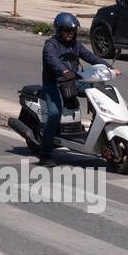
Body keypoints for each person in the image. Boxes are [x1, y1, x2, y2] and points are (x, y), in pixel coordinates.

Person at [38, 12, 119, 164]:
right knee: (55, 113)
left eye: (73, 31)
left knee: (97, 94)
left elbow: (89, 56)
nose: (70, 34)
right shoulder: (51, 45)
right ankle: (45, 153)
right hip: (54, 84)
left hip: (73, 81)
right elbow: (52, 60)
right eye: (67, 30)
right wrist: (64, 71)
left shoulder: (75, 44)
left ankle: (98, 137)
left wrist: (108, 68)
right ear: (59, 30)